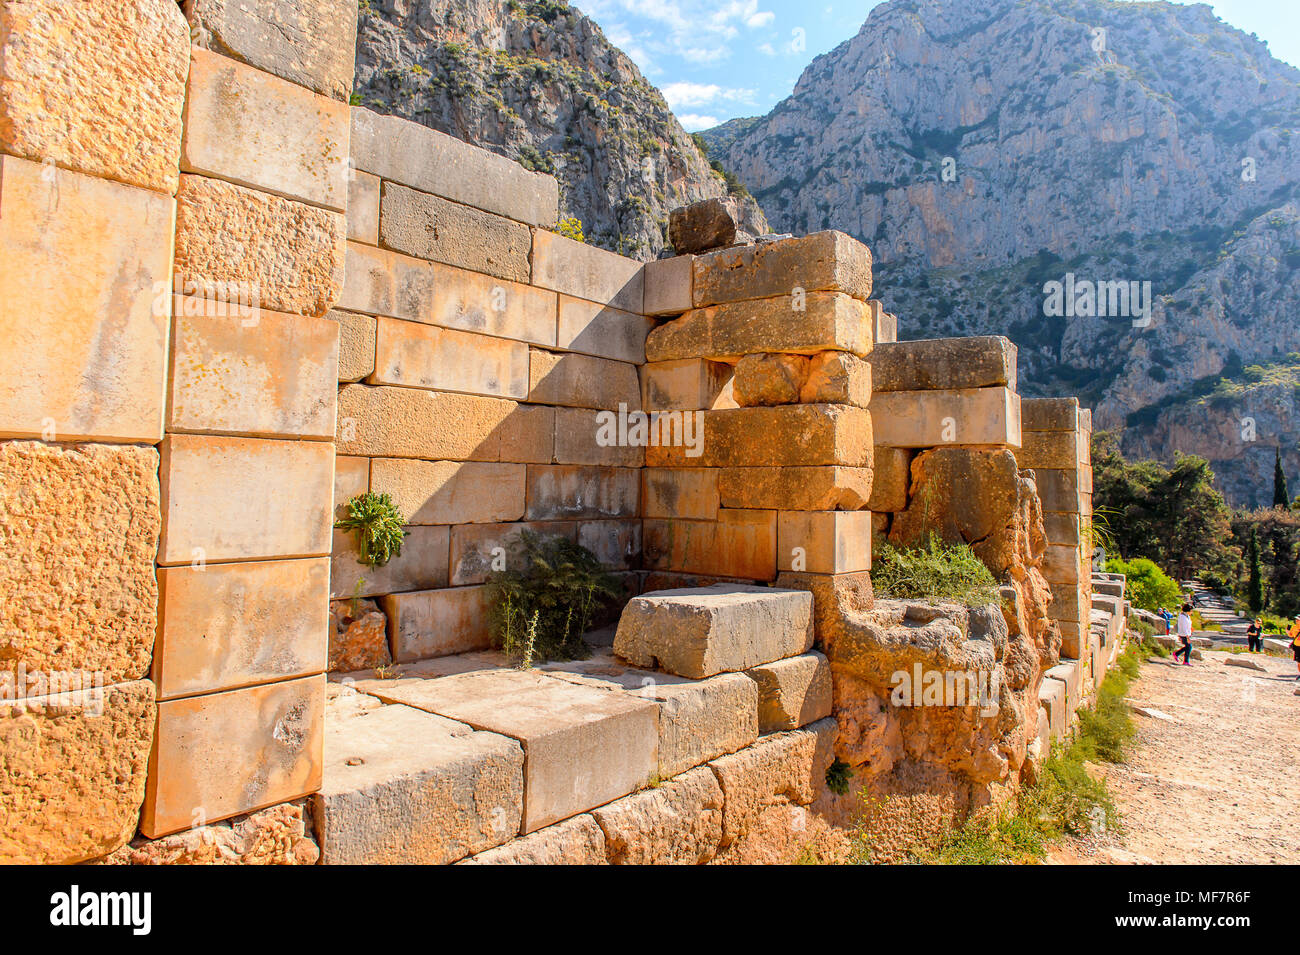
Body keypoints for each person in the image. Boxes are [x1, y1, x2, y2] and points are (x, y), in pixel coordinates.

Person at [1289, 615, 1300, 682]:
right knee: (1298, 662)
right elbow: (1291, 635)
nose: (1296, 621)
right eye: (1296, 620)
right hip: (1297, 646)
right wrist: (1288, 632)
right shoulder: (1294, 627)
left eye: (1298, 620)